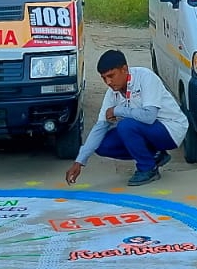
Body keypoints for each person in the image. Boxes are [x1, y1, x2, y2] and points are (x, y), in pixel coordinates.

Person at [65, 49, 189, 187]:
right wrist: (79, 162)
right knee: (100, 144)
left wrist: (118, 110)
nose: (108, 82)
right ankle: (154, 155)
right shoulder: (112, 94)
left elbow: (149, 116)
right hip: (148, 130)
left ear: (124, 69)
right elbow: (100, 127)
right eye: (104, 78)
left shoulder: (146, 77)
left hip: (171, 129)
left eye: (111, 76)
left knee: (126, 126)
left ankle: (147, 168)